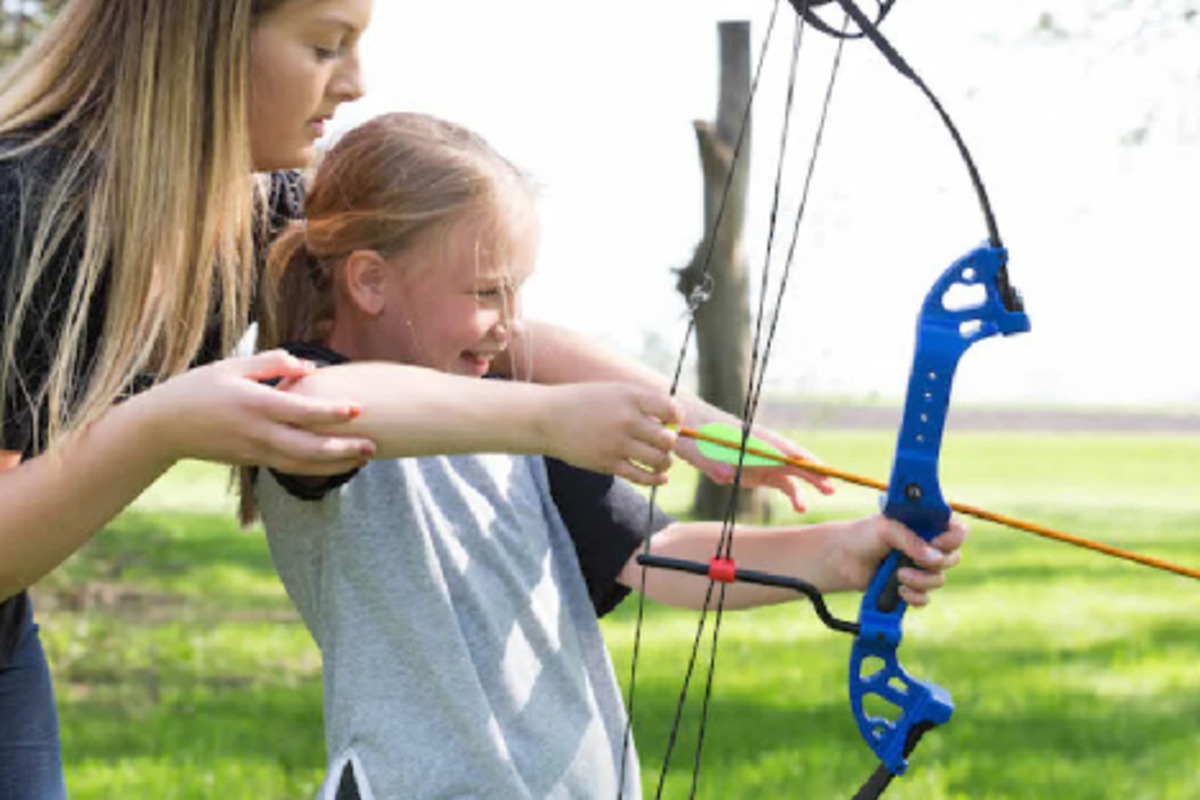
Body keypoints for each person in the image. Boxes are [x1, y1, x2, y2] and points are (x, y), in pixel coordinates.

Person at [0, 2, 691, 795]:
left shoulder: (256, 207)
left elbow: (483, 322)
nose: (356, 83)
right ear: (208, 39)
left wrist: (687, 416)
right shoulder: (21, 208)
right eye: (327, 46)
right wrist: (157, 427)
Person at [248, 112, 968, 799]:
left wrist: (841, 554)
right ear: (370, 281)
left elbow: (661, 553)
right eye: (487, 292)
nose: (511, 324)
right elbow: (336, 402)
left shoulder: (516, 420)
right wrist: (557, 413)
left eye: (517, 292)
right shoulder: (305, 404)